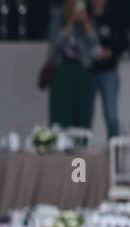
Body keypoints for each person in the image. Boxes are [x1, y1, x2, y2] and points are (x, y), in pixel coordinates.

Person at [49, 0, 99, 129]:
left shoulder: (89, 20)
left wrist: (86, 22)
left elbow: (95, 47)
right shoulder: (59, 18)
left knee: (82, 112)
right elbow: (54, 42)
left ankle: (81, 146)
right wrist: (70, 22)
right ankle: (60, 143)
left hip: (83, 69)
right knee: (61, 111)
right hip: (62, 69)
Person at [90, 0, 124, 136]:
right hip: (88, 72)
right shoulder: (86, 17)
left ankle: (114, 150)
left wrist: (110, 52)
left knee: (111, 113)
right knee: (86, 113)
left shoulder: (113, 17)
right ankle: (82, 152)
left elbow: (122, 42)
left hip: (109, 71)